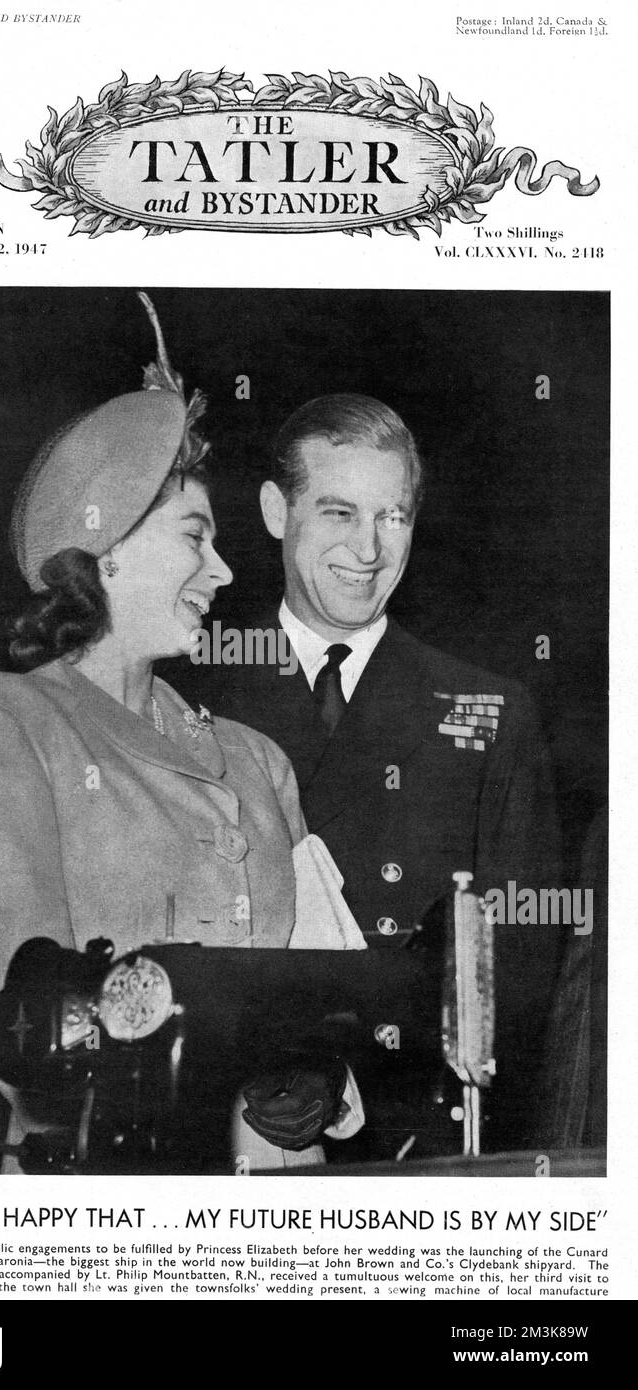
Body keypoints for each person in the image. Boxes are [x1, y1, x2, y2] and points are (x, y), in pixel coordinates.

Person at [0, 300, 364, 1174]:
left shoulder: (256, 759)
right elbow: (26, 1032)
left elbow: (328, 982)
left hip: (290, 1190)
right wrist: (235, 1060)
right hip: (109, 1188)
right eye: (194, 536)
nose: (225, 571)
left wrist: (321, 1071)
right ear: (106, 551)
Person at [188, 393, 564, 1151]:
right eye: (336, 513)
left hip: (408, 1135)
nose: (367, 549)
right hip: (217, 1122)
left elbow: (520, 962)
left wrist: (366, 1077)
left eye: (391, 517)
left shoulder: (488, 710)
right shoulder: (190, 687)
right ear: (272, 510)